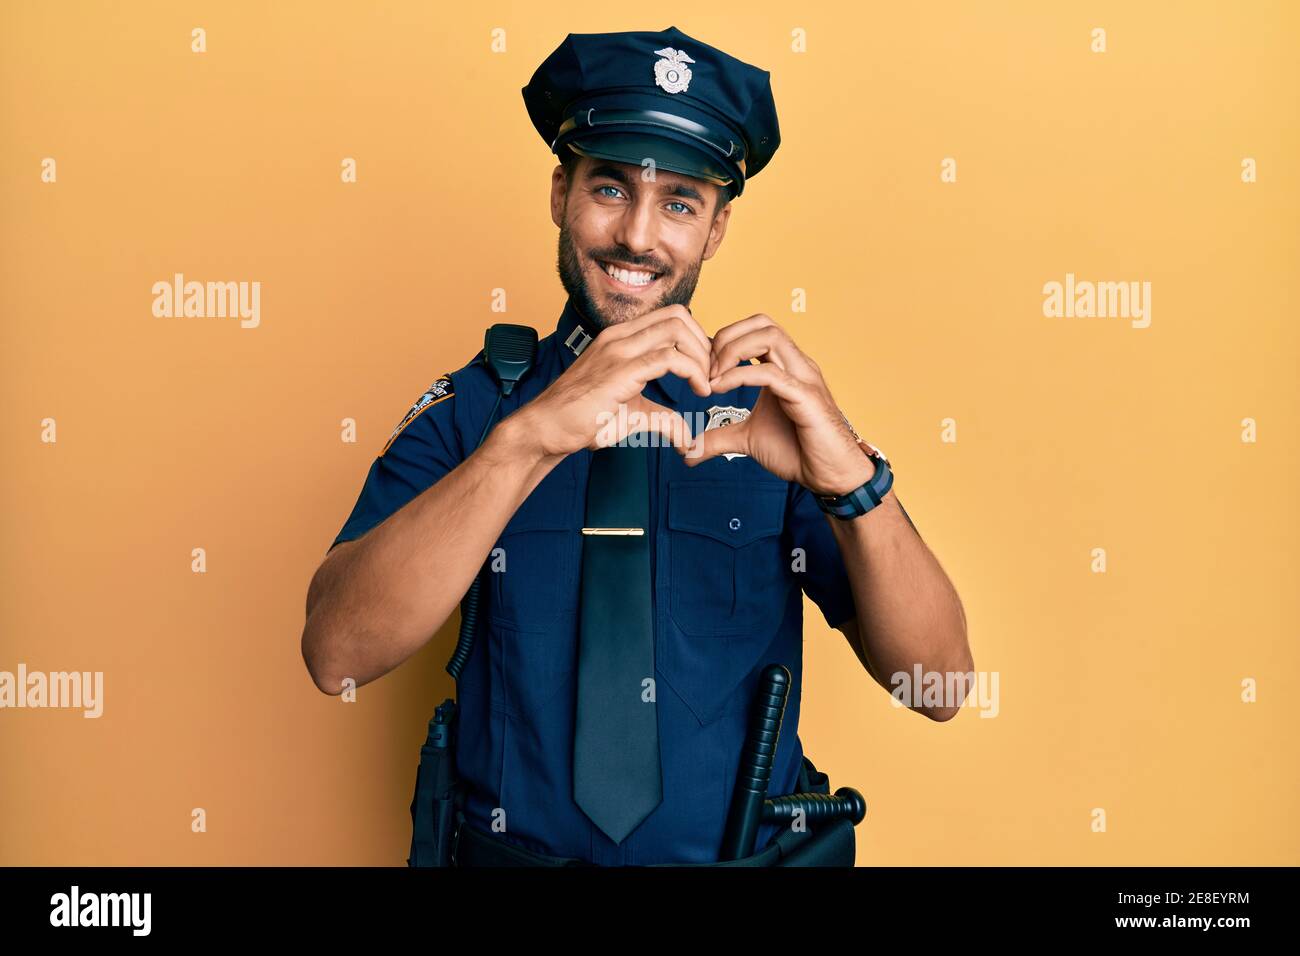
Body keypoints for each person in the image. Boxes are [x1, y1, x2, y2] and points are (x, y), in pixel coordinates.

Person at [302, 26, 972, 866]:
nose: (638, 237)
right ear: (560, 193)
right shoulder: (480, 409)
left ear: (717, 230)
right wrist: (527, 441)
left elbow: (941, 684)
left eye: (680, 203)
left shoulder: (773, 423)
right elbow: (335, 656)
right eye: (611, 189)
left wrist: (851, 481)